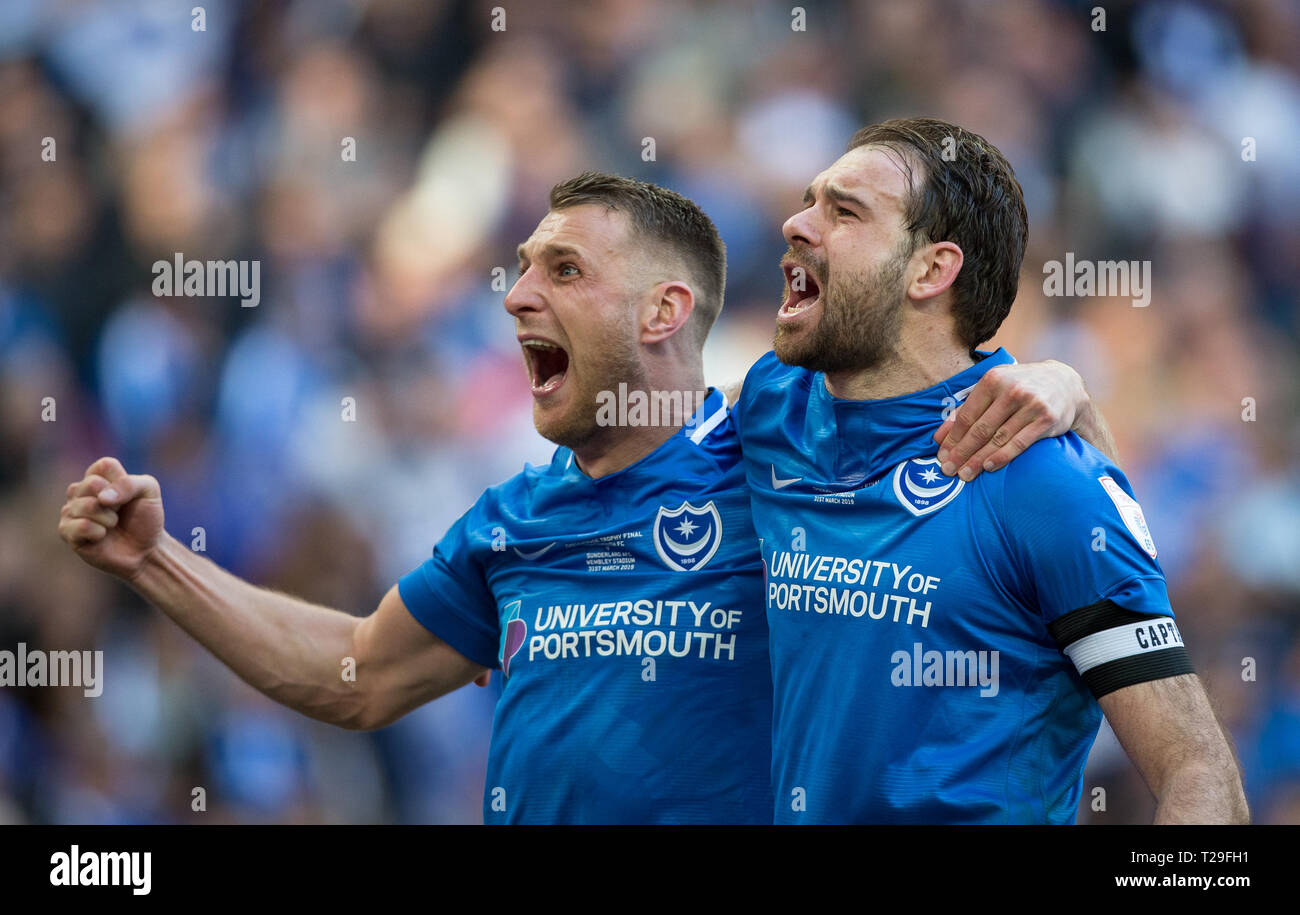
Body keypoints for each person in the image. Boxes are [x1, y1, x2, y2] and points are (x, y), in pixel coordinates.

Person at [59, 172, 1102, 824]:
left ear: (664, 309)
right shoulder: (513, 519)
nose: (516, 295)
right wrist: (156, 560)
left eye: (561, 269)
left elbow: (934, 388)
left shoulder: (782, 463)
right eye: (519, 270)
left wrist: (1063, 389)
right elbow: (354, 677)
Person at [733, 117, 1250, 824]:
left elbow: (1200, 771)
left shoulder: (1038, 476)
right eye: (809, 199)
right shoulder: (771, 406)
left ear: (931, 269)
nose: (796, 223)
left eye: (844, 211)